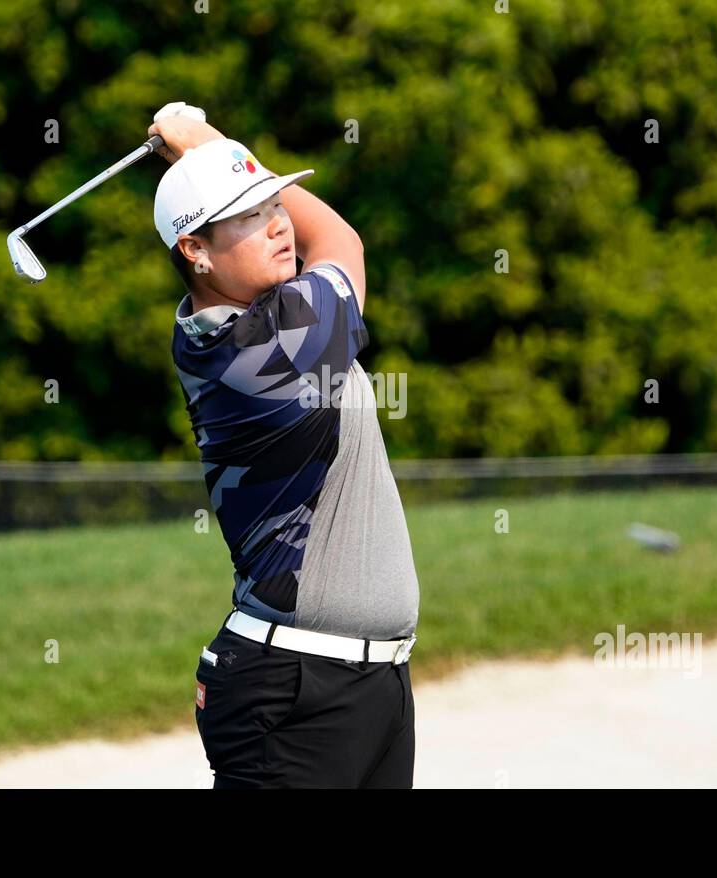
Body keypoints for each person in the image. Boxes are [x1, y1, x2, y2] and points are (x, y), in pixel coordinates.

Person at [149, 111, 420, 788]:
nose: (279, 224)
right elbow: (342, 240)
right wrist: (210, 143)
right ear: (195, 249)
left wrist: (228, 164)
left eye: (276, 203)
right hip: (295, 695)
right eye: (249, 214)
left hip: (366, 686)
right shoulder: (265, 345)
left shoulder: (241, 324)